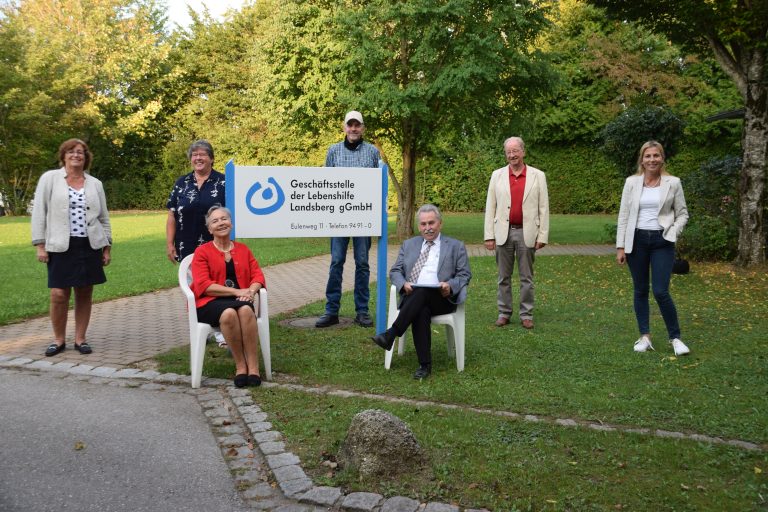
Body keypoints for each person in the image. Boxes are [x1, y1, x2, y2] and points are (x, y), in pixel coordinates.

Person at [31, 139, 112, 357]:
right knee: (59, 293)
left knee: (84, 291)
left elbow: (104, 217)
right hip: (59, 245)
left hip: (89, 243)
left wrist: (107, 247)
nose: (76, 155)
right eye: (71, 152)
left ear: (86, 158)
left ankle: (80, 339)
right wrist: (40, 245)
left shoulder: (95, 183)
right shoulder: (50, 179)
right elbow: (39, 212)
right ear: (63, 155)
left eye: (80, 153)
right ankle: (58, 340)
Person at [371, 204, 471, 379]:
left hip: (441, 298)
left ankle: (391, 334)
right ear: (419, 226)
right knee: (421, 308)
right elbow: (395, 271)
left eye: (431, 223)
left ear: (440, 223)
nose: (428, 228)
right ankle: (424, 366)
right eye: (423, 224)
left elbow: (465, 274)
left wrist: (450, 285)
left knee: (423, 293)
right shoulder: (409, 244)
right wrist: (403, 284)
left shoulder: (455, 246)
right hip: (413, 297)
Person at [616, 141, 690, 356]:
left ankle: (675, 338)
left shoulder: (673, 183)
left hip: (662, 242)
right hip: (636, 241)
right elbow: (624, 215)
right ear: (642, 160)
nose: (652, 160)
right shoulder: (631, 182)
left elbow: (683, 213)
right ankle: (645, 336)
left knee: (660, 291)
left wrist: (673, 231)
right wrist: (620, 247)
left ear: (662, 158)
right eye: (648, 156)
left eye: (656, 155)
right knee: (640, 290)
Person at [316, 110, 381, 328]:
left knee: (362, 263)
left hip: (363, 219)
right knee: (336, 262)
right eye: (349, 125)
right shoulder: (333, 151)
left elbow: (377, 187)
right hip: (338, 219)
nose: (353, 129)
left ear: (362, 128)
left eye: (357, 125)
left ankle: (362, 311)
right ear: (344, 127)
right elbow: (325, 185)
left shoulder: (372, 152)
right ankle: (331, 310)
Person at [191, 206, 266, 387]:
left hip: (239, 300)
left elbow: (258, 275)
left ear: (231, 223)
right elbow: (204, 285)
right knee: (229, 314)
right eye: (215, 221)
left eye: (224, 219)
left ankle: (254, 368)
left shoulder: (243, 249)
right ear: (209, 229)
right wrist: (238, 292)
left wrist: (251, 290)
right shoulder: (202, 252)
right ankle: (241, 366)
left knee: (246, 312)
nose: (220, 223)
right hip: (209, 302)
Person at [483, 136, 549, 330]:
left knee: (526, 277)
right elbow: (490, 206)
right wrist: (489, 235)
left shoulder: (538, 176)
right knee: (503, 277)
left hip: (527, 233)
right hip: (503, 232)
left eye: (515, 151)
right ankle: (504, 312)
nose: (512, 155)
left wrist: (542, 235)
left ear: (523, 151)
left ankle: (526, 314)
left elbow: (543, 208)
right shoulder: (497, 175)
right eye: (508, 152)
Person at [166, 140, 225, 263]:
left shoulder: (224, 182)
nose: (198, 158)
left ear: (211, 159)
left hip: (217, 247)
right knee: (189, 282)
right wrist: (170, 244)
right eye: (194, 155)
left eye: (202, 154)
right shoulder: (182, 183)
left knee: (215, 281)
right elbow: (172, 215)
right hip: (186, 248)